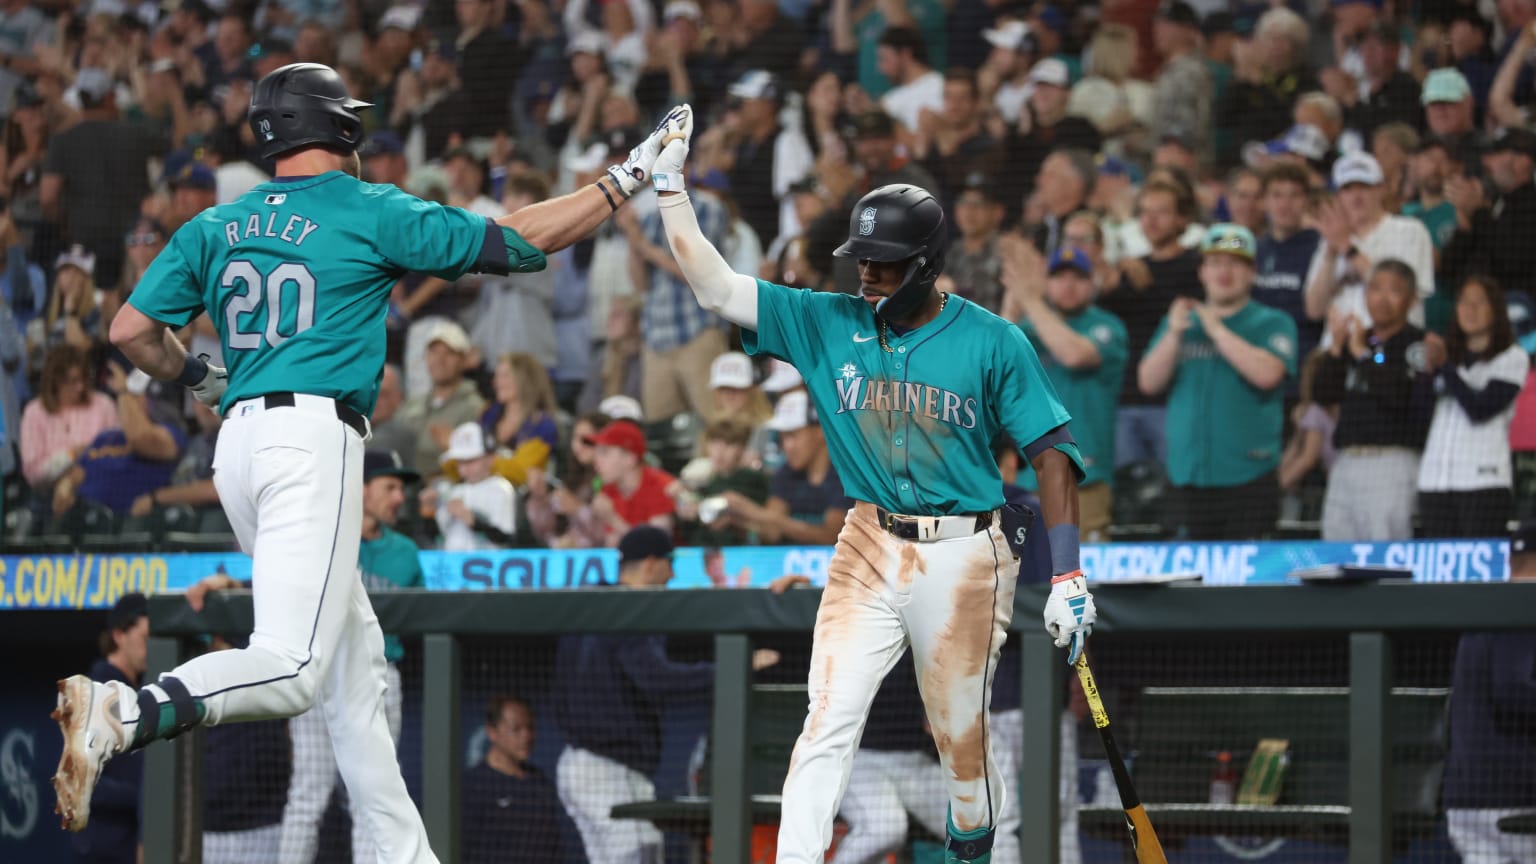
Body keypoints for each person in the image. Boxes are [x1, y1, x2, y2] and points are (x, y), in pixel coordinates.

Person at [56, 62, 689, 860]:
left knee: (357, 691)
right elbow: (524, 242)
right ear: (338, 129)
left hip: (240, 449)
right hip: (309, 443)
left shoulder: (216, 224)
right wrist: (625, 177)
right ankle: (126, 714)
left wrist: (198, 378)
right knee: (293, 669)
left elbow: (128, 333)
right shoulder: (365, 206)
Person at [652, 122, 1095, 862]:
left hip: (966, 552)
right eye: (861, 260)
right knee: (825, 719)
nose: (866, 275)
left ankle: (974, 842)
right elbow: (715, 285)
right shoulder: (825, 321)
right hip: (868, 537)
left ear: (925, 266)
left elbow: (1052, 453)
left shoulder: (992, 340)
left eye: (883, 264)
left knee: (963, 749)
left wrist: (1070, 572)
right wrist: (670, 190)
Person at [186, 447, 426, 864]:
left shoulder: (405, 551)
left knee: (371, 795)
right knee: (308, 794)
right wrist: (230, 583)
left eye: (401, 489)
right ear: (362, 488)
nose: (399, 498)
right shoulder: (327, 530)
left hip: (378, 676)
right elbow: (281, 576)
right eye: (390, 487)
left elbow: (425, 621)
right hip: (321, 669)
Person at [551, 525, 776, 862]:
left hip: (575, 765)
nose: (672, 574)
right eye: (669, 563)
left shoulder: (591, 601)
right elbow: (658, 678)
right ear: (650, 563)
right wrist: (733, 668)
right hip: (606, 769)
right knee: (640, 855)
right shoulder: (632, 607)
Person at [1137, 225, 1297, 540]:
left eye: (1235, 263)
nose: (1224, 271)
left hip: (1248, 479)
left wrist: (1216, 329)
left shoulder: (1272, 322)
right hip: (1187, 477)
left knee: (1242, 585)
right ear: (1202, 272)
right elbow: (1148, 382)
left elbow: (1268, 375)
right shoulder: (1180, 324)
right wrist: (1172, 335)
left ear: (1252, 272)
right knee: (1187, 585)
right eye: (1215, 263)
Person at [1004, 243, 1127, 542]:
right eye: (1059, 277)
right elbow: (996, 362)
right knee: (1026, 575)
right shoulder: (1028, 328)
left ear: (1092, 283)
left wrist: (1031, 300)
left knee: (1083, 572)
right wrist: (1014, 296)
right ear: (1048, 282)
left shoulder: (1106, 327)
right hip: (1029, 477)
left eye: (1078, 278)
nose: (1068, 285)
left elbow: (1074, 355)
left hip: (1085, 478)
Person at [1313, 260, 1433, 541]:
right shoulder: (1360, 340)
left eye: (1394, 290)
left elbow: (1400, 395)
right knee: (1337, 550)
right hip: (1346, 460)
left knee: (1384, 554)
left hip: (1390, 461)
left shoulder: (1416, 343)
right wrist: (1336, 348)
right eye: (1375, 289)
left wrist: (1363, 355)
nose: (1381, 298)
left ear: (1412, 299)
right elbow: (1322, 394)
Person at [1418, 276, 1529, 538]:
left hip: (1483, 481)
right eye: (1464, 302)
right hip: (1435, 480)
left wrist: (1445, 366)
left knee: (1480, 572)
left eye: (1479, 302)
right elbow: (1419, 414)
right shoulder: (1448, 357)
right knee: (1440, 573)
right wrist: (1427, 371)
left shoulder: (1512, 356)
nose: (1470, 309)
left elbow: (1480, 410)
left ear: (1496, 309)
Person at [714, 389, 852, 545]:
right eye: (782, 437)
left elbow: (832, 536)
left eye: (793, 435)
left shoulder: (847, 476)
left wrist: (757, 514)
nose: (786, 446)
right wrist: (740, 519)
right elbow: (772, 532)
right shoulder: (786, 474)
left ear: (820, 431)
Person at [69, 594, 148, 864]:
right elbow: (80, 782)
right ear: (119, 635)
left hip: (129, 842)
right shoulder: (97, 693)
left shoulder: (137, 692)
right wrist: (144, 796)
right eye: (144, 637)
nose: (150, 647)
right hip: (103, 847)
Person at [462, 695, 574, 863]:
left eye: (530, 727)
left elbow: (554, 846)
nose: (526, 736)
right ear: (492, 732)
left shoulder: (540, 781)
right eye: (516, 729)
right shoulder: (473, 786)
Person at [19, 344, 116, 500]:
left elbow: (117, 453)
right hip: (49, 497)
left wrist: (76, 476)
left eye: (83, 379)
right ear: (55, 381)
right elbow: (33, 473)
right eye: (72, 381)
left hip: (99, 491)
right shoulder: (34, 413)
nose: (80, 387)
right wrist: (71, 455)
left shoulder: (103, 405)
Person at [587, 417, 678, 543]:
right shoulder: (608, 488)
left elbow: (655, 548)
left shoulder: (660, 486)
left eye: (605, 453)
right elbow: (612, 544)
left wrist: (613, 519)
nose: (596, 460)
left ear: (630, 458)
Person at [434, 422, 518, 551]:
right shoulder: (453, 491)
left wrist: (475, 522)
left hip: (487, 565)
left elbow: (505, 537)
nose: (464, 468)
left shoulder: (500, 489)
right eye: (459, 462)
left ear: (490, 458)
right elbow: (438, 535)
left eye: (470, 460)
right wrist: (427, 513)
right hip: (453, 563)